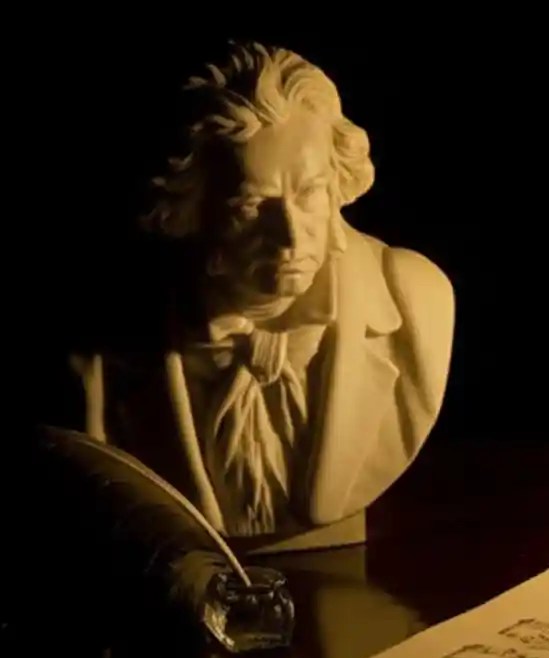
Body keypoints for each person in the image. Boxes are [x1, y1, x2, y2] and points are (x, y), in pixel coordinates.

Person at [68, 42, 454, 543]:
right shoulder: (107, 340)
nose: (290, 236)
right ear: (191, 207)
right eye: (252, 205)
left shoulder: (417, 302)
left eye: (310, 193)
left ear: (339, 183)